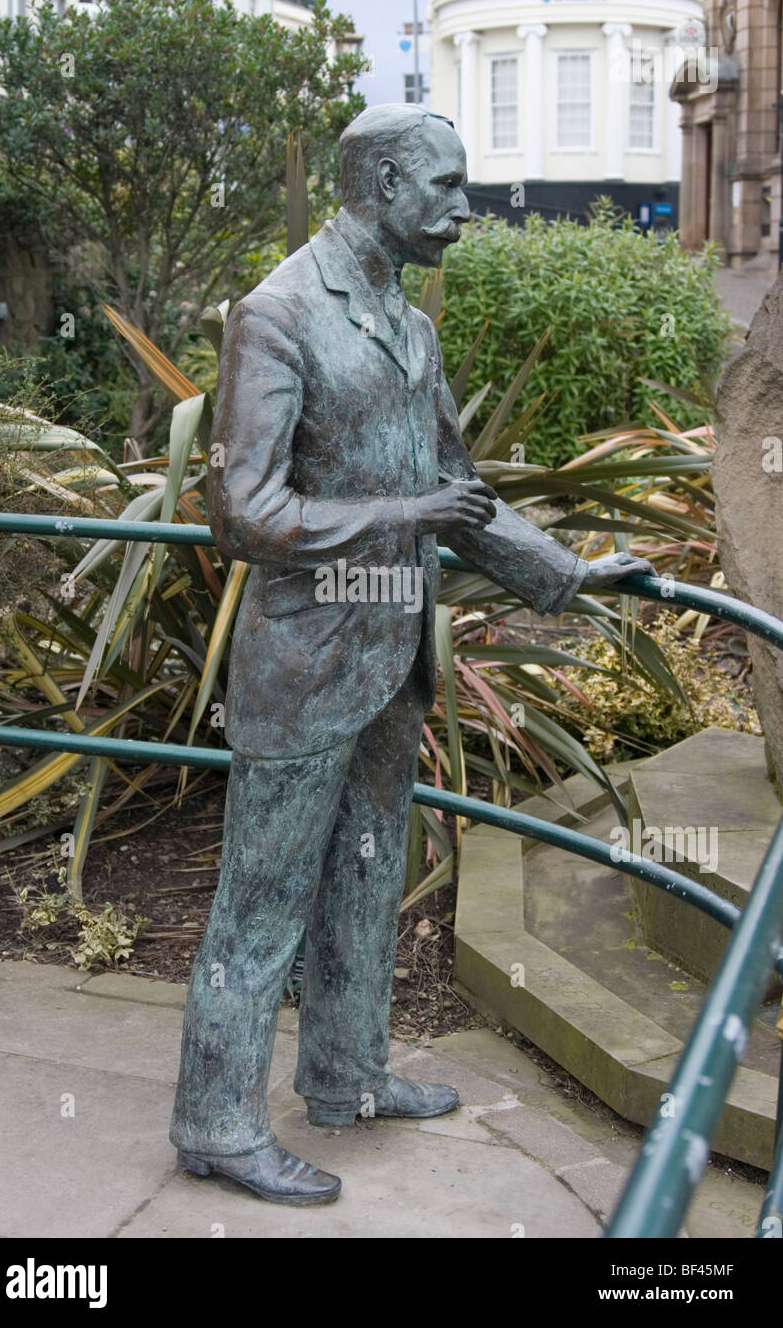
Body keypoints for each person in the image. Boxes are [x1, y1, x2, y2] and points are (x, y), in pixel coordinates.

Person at [169, 103, 653, 1206]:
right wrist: (406, 513)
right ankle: (216, 1123)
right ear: (383, 184)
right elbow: (241, 515)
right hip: (304, 664)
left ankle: (346, 1076)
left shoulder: (408, 323)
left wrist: (570, 571)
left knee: (366, 873)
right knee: (261, 901)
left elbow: (457, 490)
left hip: (389, 658)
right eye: (445, 186)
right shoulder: (278, 311)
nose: (464, 209)